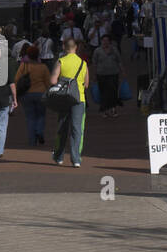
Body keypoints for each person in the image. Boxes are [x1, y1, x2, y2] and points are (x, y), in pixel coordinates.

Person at [50, 37, 88, 167]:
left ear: (64, 47)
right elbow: (86, 84)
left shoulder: (60, 61)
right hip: (79, 99)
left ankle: (59, 156)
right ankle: (76, 159)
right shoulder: (83, 63)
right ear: (75, 47)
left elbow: (53, 81)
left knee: (62, 127)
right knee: (77, 129)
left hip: (64, 99)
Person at [16, 43, 51, 145]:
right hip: (41, 93)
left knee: (30, 117)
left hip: (26, 94)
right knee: (41, 115)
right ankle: (39, 131)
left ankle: (32, 140)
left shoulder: (24, 66)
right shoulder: (43, 67)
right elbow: (48, 83)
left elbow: (17, 79)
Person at [92, 33, 123, 118]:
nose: (105, 42)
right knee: (104, 93)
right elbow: (94, 63)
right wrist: (94, 75)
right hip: (101, 74)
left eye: (107, 40)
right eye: (103, 40)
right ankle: (104, 110)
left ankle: (113, 109)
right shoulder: (97, 51)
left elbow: (119, 60)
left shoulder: (114, 50)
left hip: (113, 73)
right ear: (101, 41)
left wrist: (122, 71)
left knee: (113, 92)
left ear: (109, 42)